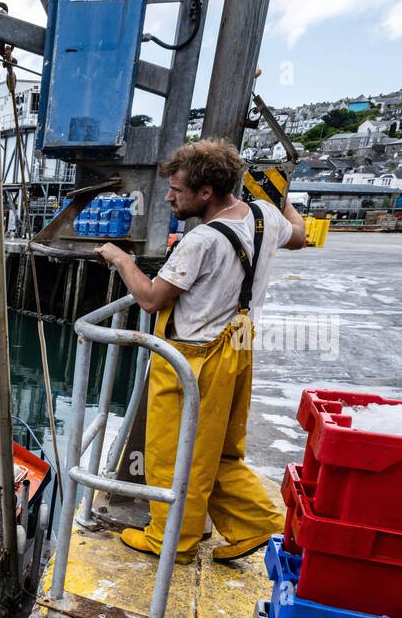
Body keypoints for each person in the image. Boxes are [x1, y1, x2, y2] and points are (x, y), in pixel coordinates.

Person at [94, 139, 308, 564]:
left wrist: (120, 258)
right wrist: (283, 197)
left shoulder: (201, 241)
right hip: (239, 346)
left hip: (193, 357)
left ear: (205, 191)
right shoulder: (263, 216)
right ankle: (257, 525)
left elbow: (153, 298)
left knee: (172, 452)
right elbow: (299, 236)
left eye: (177, 189)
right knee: (221, 450)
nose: (170, 196)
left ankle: (172, 539)